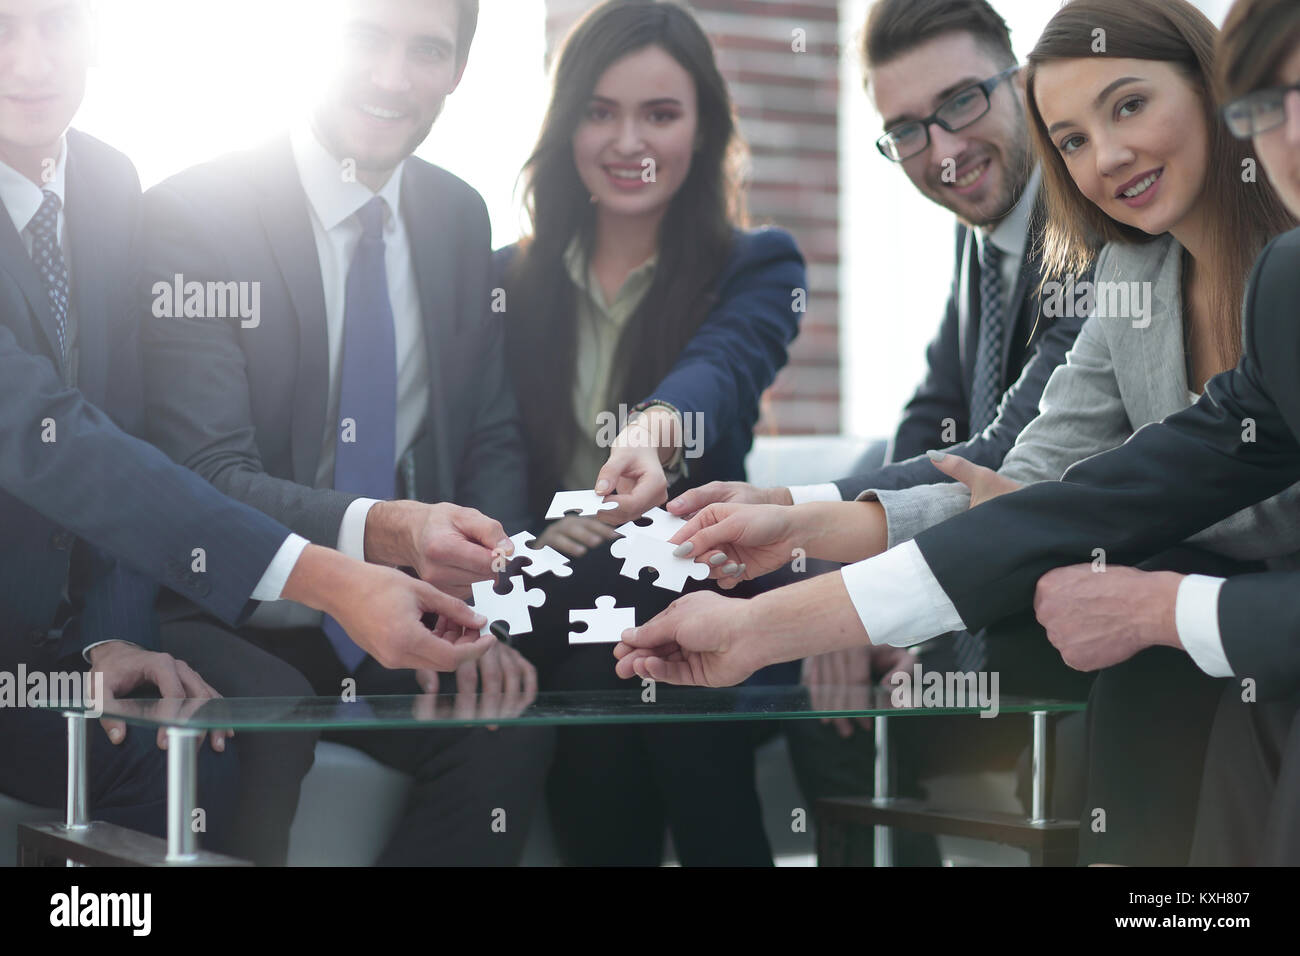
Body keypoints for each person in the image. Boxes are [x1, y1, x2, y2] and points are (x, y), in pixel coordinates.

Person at [618, 0, 1300, 867]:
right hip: (1213, 655)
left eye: (1128, 106)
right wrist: (790, 557)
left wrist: (1150, 594)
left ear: (1211, 91)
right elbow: (1051, 486)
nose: (1109, 155)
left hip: (1246, 637)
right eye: (1075, 140)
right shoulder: (1135, 274)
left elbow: (1065, 499)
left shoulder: (1275, 271)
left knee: (1103, 615)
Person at [0, 0, 493, 865]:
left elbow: (125, 441)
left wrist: (111, 638)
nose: (32, 63)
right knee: (174, 755)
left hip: (67, 640)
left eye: (57, 24)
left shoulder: (109, 184)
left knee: (197, 738)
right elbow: (54, 437)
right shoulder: (196, 211)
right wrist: (340, 575)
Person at [138, 0, 552, 865]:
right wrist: (393, 530)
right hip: (232, 607)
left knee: (507, 732)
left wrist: (484, 600)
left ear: (460, 70)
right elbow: (207, 473)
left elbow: (492, 434)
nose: (393, 78)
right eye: (366, 37)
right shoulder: (197, 213)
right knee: (266, 720)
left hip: (400, 614)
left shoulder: (454, 216)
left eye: (427, 50)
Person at [493, 0, 803, 866]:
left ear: (703, 129)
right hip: (545, 591)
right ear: (566, 125)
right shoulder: (503, 283)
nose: (629, 141)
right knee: (617, 657)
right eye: (601, 111)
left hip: (698, 586)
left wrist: (656, 431)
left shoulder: (758, 265)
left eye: (660, 114)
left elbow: (727, 360)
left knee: (653, 642)